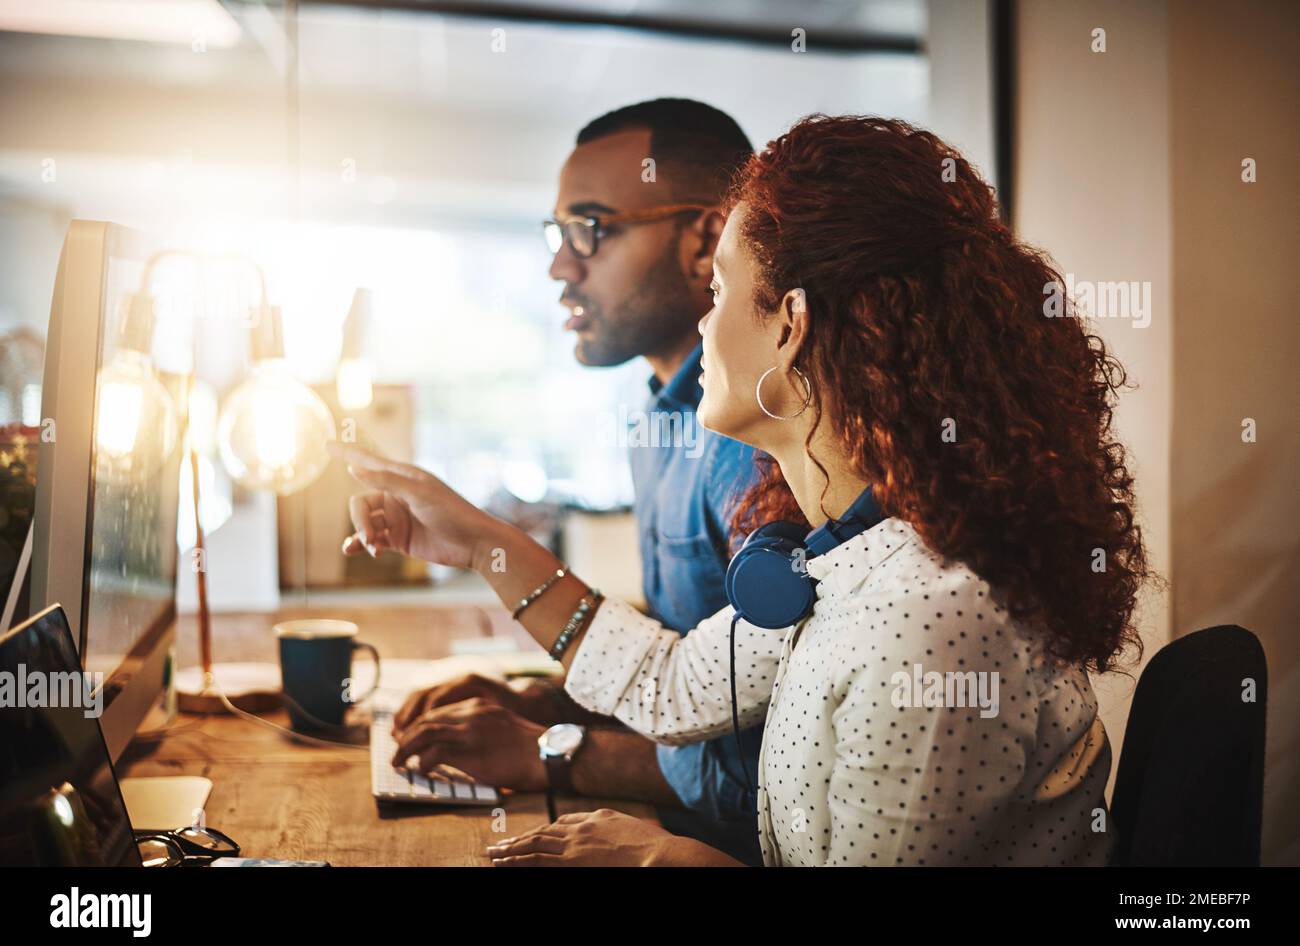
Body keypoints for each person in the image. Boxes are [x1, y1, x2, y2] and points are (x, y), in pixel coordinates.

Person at [339, 114, 1147, 866]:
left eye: (721, 292)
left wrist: (678, 858)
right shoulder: (838, 559)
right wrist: (480, 542)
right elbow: (669, 683)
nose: (704, 324)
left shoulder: (931, 622)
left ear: (790, 323)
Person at [377, 99, 768, 864]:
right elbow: (688, 662)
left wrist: (554, 750)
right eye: (557, 233)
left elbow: (765, 772)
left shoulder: (757, 441)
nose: (561, 264)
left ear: (707, 240)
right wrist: (548, 699)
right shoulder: (660, 417)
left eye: (590, 227)